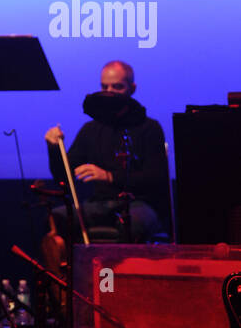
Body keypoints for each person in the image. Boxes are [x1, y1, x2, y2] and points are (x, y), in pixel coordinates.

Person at [45, 59, 169, 241]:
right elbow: (63, 178)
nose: (109, 92)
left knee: (131, 224)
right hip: (100, 204)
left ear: (132, 88)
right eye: (105, 87)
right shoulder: (91, 129)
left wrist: (109, 176)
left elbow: (156, 178)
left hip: (139, 203)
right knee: (58, 218)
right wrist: (54, 149)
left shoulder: (149, 128)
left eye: (117, 87)